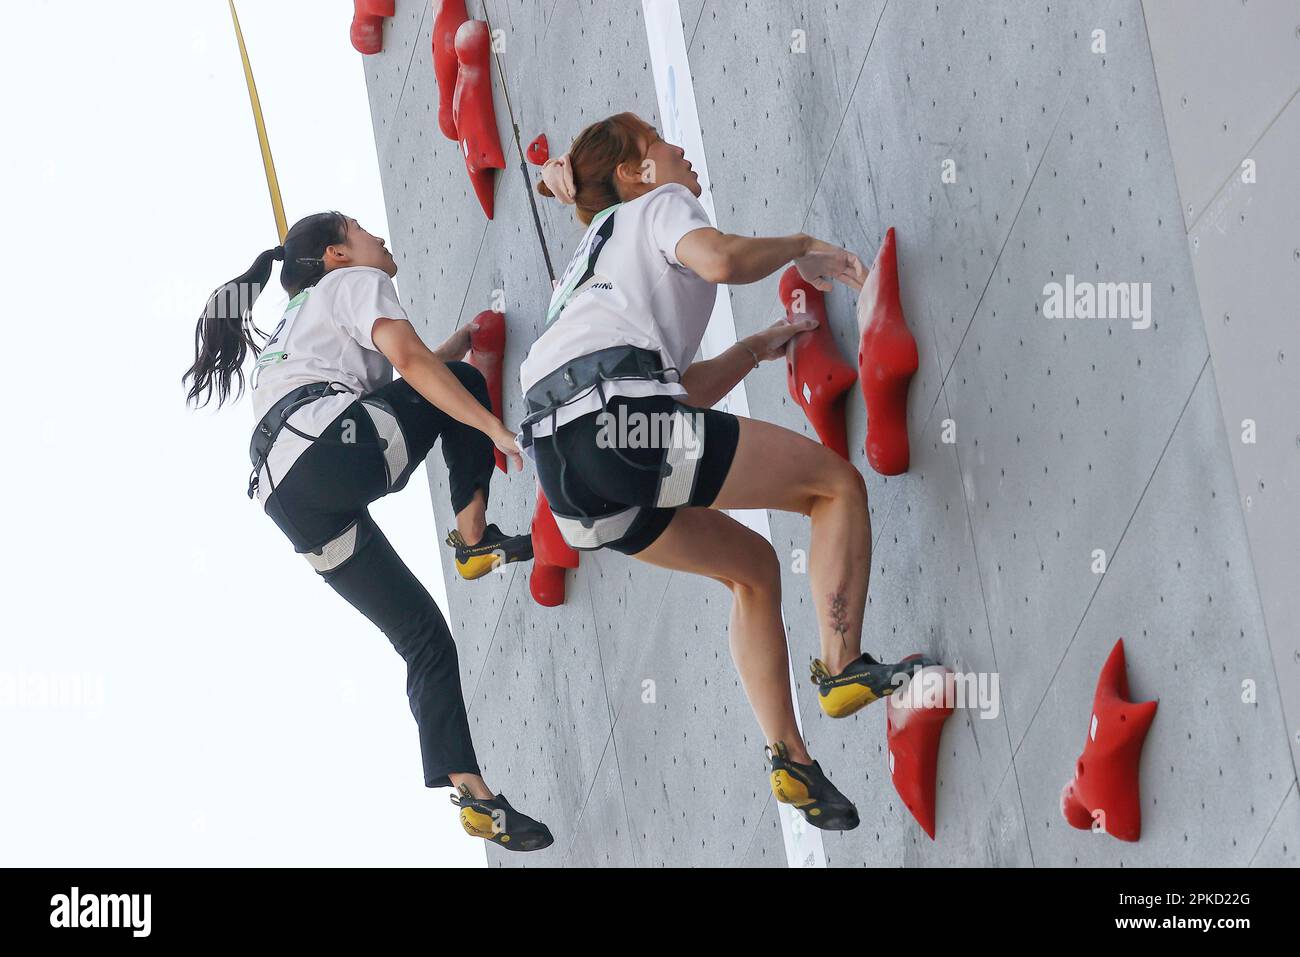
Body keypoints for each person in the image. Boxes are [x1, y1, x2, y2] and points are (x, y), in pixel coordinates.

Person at [521, 114, 935, 831]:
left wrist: (752, 348)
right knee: (832, 486)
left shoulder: (582, 268)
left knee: (752, 569)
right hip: (619, 426)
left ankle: (792, 759)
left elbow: (671, 403)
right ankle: (840, 665)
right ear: (636, 173)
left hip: (570, 477)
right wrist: (801, 247)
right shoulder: (658, 206)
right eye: (661, 143)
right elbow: (717, 260)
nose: (680, 149)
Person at [184, 211, 551, 852]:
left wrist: (460, 341)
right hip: (329, 448)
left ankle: (474, 797)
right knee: (458, 387)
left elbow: (401, 382)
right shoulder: (351, 284)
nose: (378, 235)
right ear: (336, 255)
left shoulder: (292, 332)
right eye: (360, 229)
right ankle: (473, 539)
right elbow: (411, 366)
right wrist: (491, 425)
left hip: (292, 497)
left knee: (423, 637)